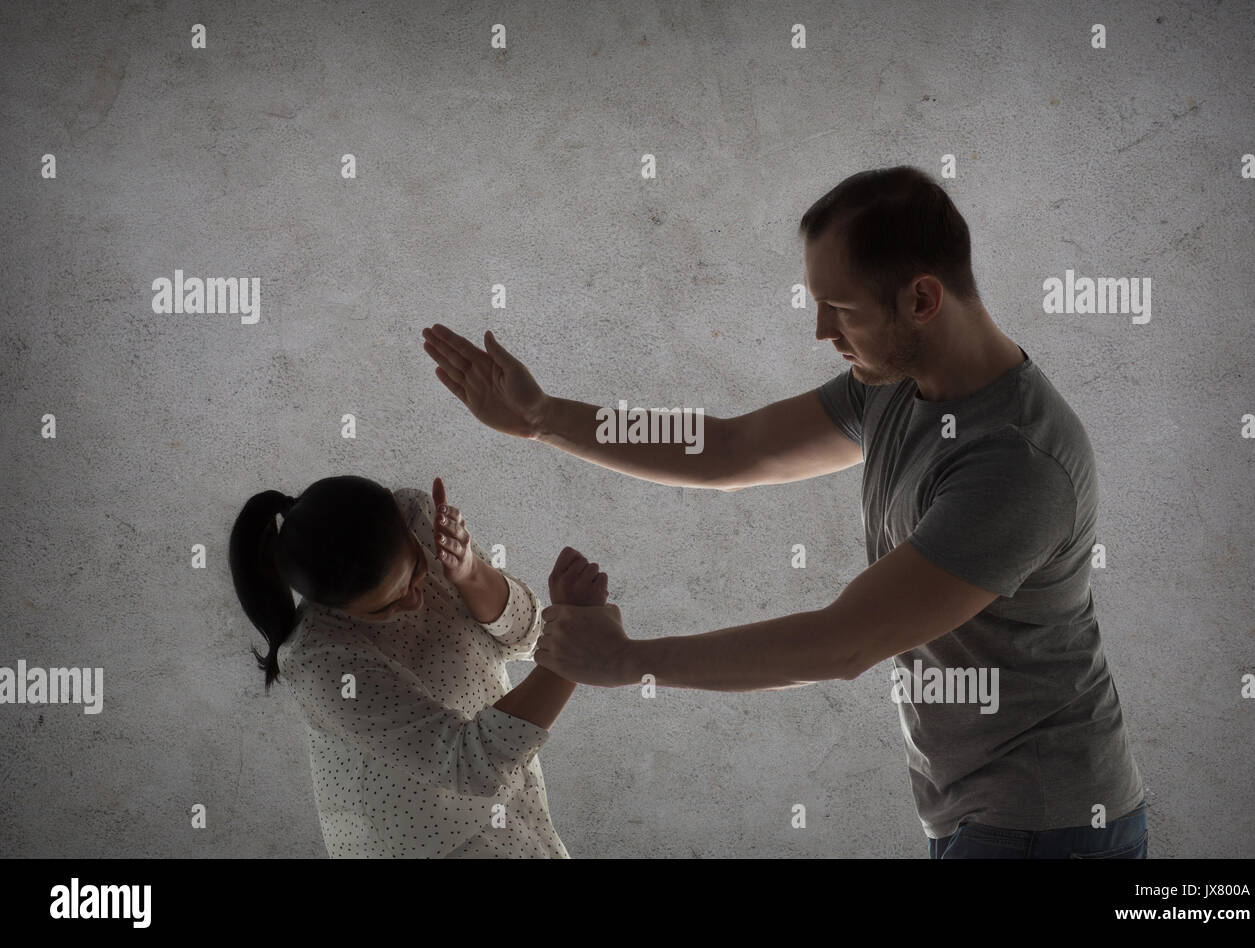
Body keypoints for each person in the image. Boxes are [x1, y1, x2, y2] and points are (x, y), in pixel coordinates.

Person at [419, 166, 1148, 859]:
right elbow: (731, 448)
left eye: (841, 310)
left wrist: (631, 660)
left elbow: (842, 643)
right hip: (977, 812)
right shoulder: (895, 382)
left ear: (922, 299)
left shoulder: (1015, 462)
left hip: (1046, 825)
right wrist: (544, 417)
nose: (822, 334)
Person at [228, 472, 607, 857]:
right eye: (385, 606)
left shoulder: (418, 517)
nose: (413, 601)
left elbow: (526, 637)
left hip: (514, 805)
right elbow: (472, 764)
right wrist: (576, 643)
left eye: (414, 571)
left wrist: (470, 572)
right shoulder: (321, 662)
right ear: (335, 609)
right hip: (431, 842)